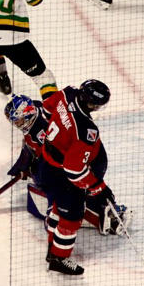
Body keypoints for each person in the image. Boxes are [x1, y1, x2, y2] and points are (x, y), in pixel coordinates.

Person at [37, 80, 131, 276]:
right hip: (62, 176)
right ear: (93, 104)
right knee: (71, 218)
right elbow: (74, 170)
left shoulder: (68, 93)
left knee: (58, 206)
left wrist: (61, 134)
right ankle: (58, 258)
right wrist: (97, 186)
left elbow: (46, 110)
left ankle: (51, 241)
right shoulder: (86, 131)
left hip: (45, 163)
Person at [4, 94, 126, 236]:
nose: (17, 125)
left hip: (78, 164)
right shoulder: (36, 108)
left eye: (18, 121)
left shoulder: (41, 132)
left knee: (55, 187)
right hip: (79, 160)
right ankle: (106, 208)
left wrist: (30, 166)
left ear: (27, 114)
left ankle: (63, 212)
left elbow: (54, 160)